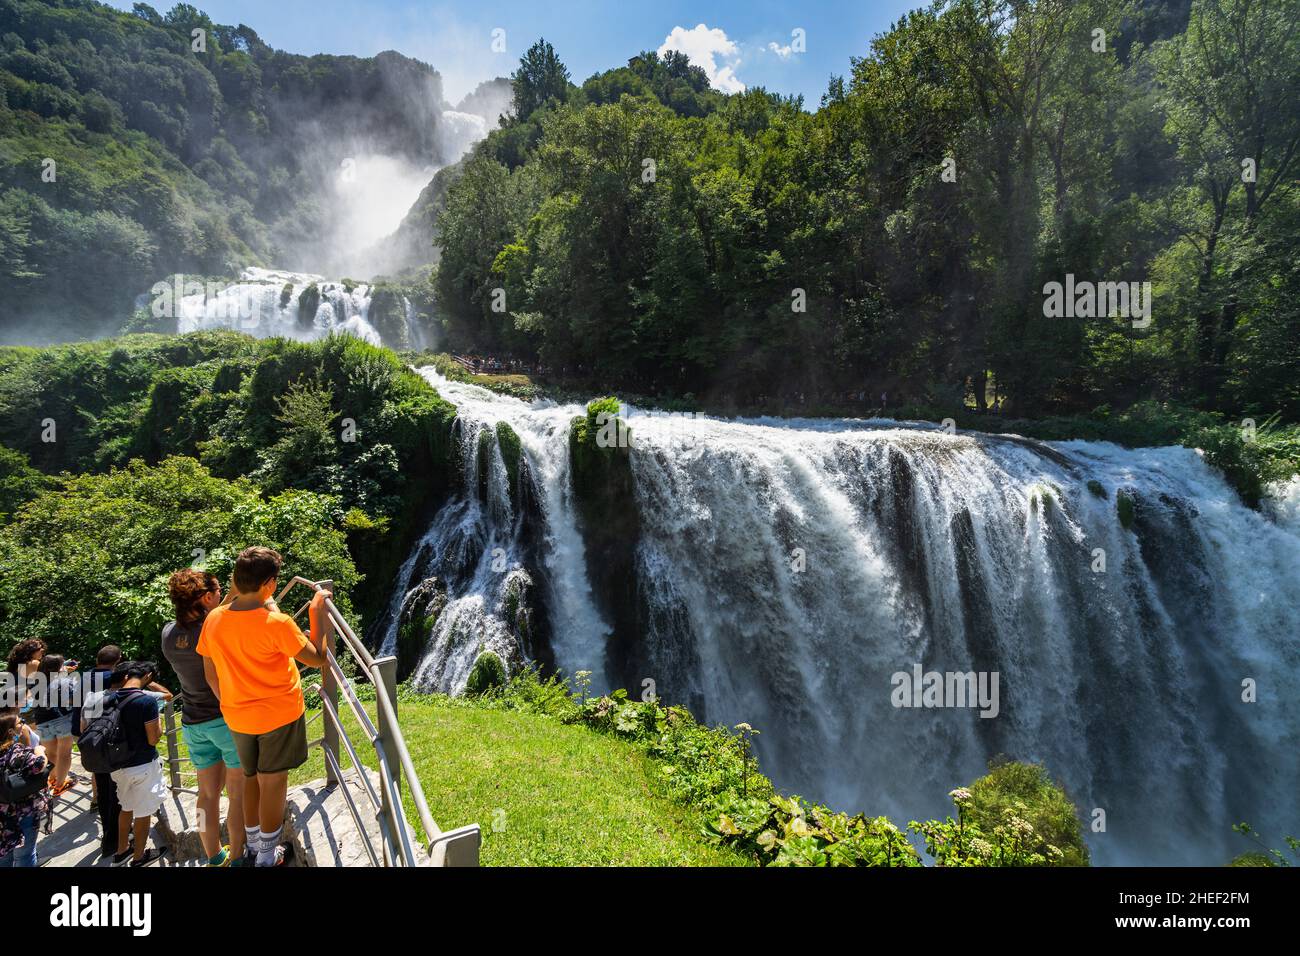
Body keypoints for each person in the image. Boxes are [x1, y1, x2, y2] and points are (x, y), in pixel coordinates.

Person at [198, 547, 331, 867]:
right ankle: (268, 857)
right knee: (273, 782)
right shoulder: (277, 623)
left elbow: (209, 669)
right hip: (278, 714)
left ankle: (256, 845)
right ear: (270, 584)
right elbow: (316, 657)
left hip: (236, 714)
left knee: (251, 777)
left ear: (236, 579)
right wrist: (317, 613)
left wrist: (229, 701)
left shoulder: (215, 618)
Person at [162, 569, 248, 867]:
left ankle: (214, 856)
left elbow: (214, 612)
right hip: (225, 721)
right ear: (207, 597)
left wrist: (224, 596)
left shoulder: (168, 634)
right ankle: (238, 857)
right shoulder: (216, 629)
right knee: (237, 795)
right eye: (218, 591)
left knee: (207, 795)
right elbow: (220, 619)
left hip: (193, 724)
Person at [106, 661, 168, 866]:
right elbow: (153, 739)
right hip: (142, 765)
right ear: (148, 676)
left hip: (116, 766)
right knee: (143, 813)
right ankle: (139, 857)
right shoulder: (146, 702)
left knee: (126, 808)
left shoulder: (104, 698)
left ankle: (122, 850)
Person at [0, 712, 50, 867]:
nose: (23, 723)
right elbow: (39, 765)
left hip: (3, 816)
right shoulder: (15, 750)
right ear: (10, 731)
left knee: (4, 858)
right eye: (20, 722)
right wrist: (40, 751)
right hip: (23, 812)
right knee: (25, 855)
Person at [30, 654, 78, 795]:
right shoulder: (64, 681)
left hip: (42, 721)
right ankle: (60, 785)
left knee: (51, 753)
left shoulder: (35, 681)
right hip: (61, 719)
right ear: (58, 667)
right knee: (64, 754)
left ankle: (52, 779)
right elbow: (72, 699)